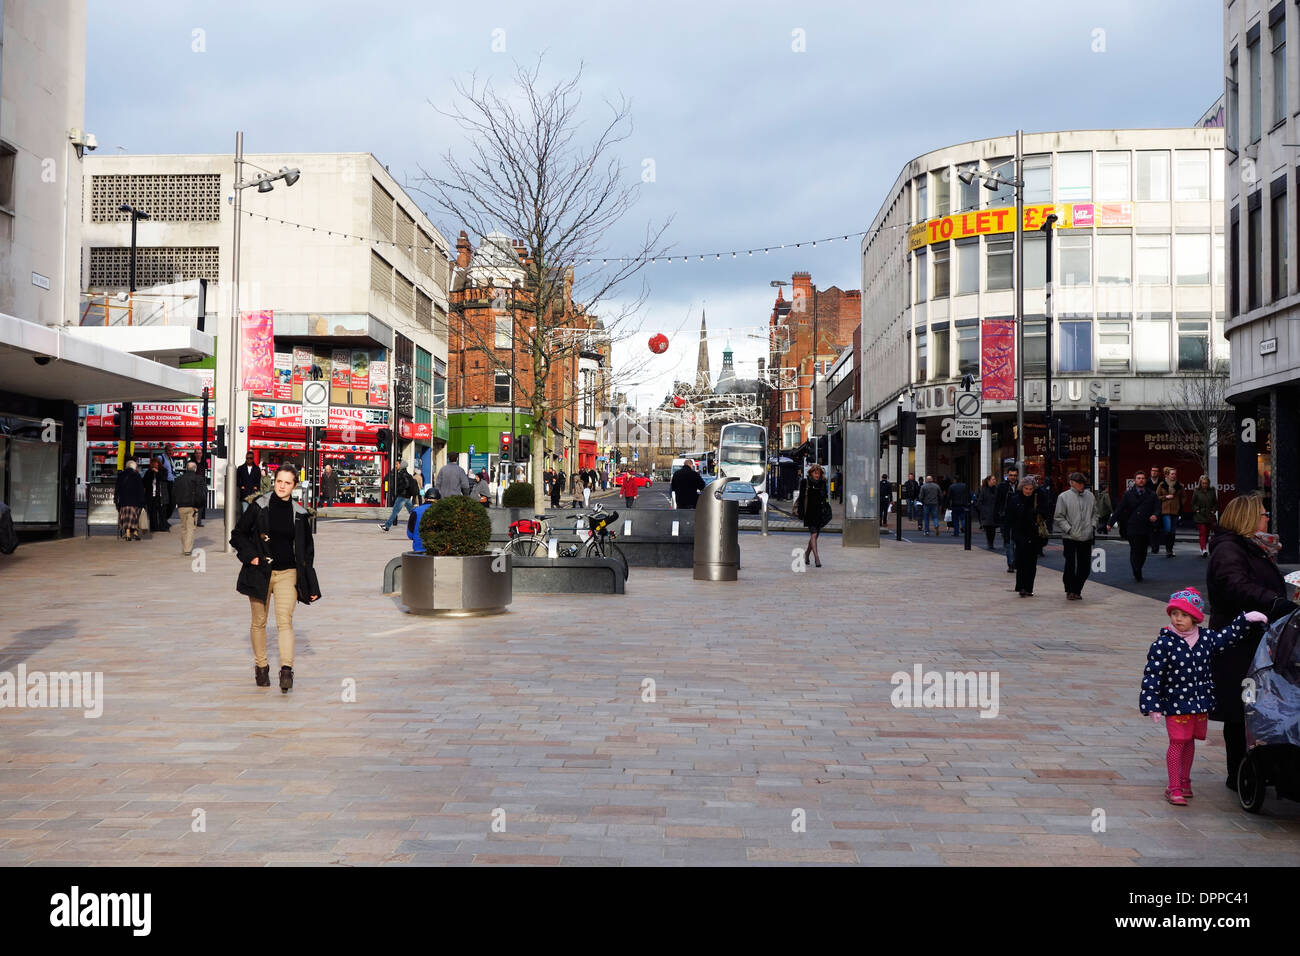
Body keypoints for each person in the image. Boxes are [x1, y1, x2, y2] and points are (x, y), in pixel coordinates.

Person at [1139, 587, 1268, 805]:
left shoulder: (1205, 638)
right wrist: (1152, 704)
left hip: (1199, 702)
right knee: (1177, 742)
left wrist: (1245, 620)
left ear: (1196, 618)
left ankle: (1185, 781)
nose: (1178, 619)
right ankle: (1173, 787)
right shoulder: (1163, 643)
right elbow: (1153, 674)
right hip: (1175, 702)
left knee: (1189, 742)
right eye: (1174, 614)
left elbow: (1226, 638)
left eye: (1184, 615)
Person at [1206, 493, 1299, 791]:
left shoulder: (1252, 548)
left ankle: (1260, 766)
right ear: (1247, 517)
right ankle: (1239, 773)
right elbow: (1237, 586)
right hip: (1237, 641)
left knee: (1255, 704)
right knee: (1239, 708)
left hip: (1255, 640)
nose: (1267, 517)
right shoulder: (1229, 549)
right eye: (1262, 513)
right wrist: (1275, 604)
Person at [230, 464, 320, 693]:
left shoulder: (300, 514)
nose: (282, 486)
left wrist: (310, 583)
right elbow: (238, 534)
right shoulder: (259, 506)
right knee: (259, 622)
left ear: (294, 486)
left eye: (287, 483)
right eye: (279, 481)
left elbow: (307, 552)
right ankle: (261, 667)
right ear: (274, 481)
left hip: (287, 574)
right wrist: (251, 557)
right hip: (260, 573)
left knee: (284, 621)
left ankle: (287, 670)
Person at [1054, 472, 1097, 601]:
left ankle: (1077, 589)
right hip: (1070, 537)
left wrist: (1092, 526)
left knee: (1085, 567)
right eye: (1079, 483)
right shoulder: (1063, 497)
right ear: (1072, 483)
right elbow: (1058, 517)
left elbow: (1096, 513)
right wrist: (1069, 529)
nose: (1081, 485)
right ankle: (1069, 590)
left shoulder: (1090, 496)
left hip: (1086, 536)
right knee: (1070, 565)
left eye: (1083, 483)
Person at [1111, 469, 1160, 582]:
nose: (1141, 480)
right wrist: (1110, 523)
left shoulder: (1152, 494)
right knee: (1134, 549)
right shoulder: (1128, 494)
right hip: (1132, 526)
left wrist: (1155, 515)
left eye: (1143, 478)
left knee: (1143, 551)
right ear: (1134, 481)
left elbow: (1157, 508)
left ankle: (1139, 566)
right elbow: (1119, 509)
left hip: (1146, 526)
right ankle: (1136, 569)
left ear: (1145, 480)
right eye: (1138, 478)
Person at [1009, 477, 1044, 597]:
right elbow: (1010, 518)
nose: (1028, 491)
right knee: (1021, 562)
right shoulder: (1015, 500)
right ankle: (1021, 587)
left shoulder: (1037, 499)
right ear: (1022, 488)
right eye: (1026, 488)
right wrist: (1009, 534)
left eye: (1031, 489)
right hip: (1020, 534)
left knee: (1032, 563)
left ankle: (1029, 587)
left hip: (1033, 534)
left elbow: (1045, 513)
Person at [797, 464, 831, 568]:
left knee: (815, 536)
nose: (817, 475)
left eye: (819, 473)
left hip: (819, 512)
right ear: (811, 473)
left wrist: (827, 508)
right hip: (809, 512)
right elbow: (801, 498)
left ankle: (807, 554)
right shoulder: (805, 482)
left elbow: (825, 498)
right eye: (815, 473)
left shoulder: (822, 483)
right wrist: (801, 513)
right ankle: (817, 558)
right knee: (814, 534)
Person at [173, 460, 206, 556]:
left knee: (183, 527)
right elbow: (202, 493)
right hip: (193, 507)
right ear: (195, 469)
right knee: (190, 528)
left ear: (186, 468)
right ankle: (187, 549)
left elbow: (174, 492)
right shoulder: (198, 479)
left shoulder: (179, 479)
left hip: (181, 506)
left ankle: (184, 547)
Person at [378, 460, 419, 532]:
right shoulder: (406, 474)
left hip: (402, 496)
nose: (396, 466)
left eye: (397, 464)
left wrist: (398, 490)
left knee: (395, 511)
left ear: (402, 465)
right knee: (412, 512)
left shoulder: (402, 474)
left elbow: (405, 484)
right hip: (406, 496)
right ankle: (420, 522)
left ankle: (387, 526)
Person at [994, 466, 1020, 572]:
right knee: (1009, 542)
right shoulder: (1002, 486)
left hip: (1019, 518)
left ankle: (1015, 561)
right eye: (1011, 475)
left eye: (1014, 475)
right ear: (1007, 475)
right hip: (1006, 518)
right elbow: (997, 502)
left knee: (1017, 542)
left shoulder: (1020, 486)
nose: (1013, 477)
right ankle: (1011, 563)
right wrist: (997, 516)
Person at [114, 459, 145, 541]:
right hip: (135, 501)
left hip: (124, 500)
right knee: (135, 517)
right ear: (134, 467)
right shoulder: (137, 475)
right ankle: (135, 533)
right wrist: (142, 501)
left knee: (126, 517)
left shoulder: (121, 475)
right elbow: (141, 489)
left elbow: (117, 489)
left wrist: (116, 500)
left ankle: (127, 534)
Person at [1155, 467, 1183, 557]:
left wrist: (1179, 503)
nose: (1173, 475)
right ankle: (1168, 550)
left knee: (1173, 531)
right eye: (1172, 474)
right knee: (1167, 529)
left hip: (1175, 510)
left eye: (1175, 474)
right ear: (1168, 474)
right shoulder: (1162, 484)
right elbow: (1157, 496)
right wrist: (1166, 497)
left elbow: (1184, 497)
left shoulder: (1180, 485)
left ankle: (1170, 550)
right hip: (1165, 510)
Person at [1191, 475, 1217, 558]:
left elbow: (1215, 503)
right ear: (1200, 483)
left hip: (1209, 515)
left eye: (1206, 483)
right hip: (1200, 515)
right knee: (1202, 532)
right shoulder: (1196, 491)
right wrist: (1196, 510)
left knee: (1207, 533)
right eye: (1203, 483)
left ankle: (1203, 547)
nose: (1204, 485)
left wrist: (1213, 510)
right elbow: (1193, 503)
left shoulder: (1212, 491)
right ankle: (1203, 549)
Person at [142, 457, 170, 533]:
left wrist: (157, 472)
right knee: (152, 511)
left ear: (159, 464)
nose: (154, 465)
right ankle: (154, 527)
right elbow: (144, 482)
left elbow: (163, 479)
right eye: (152, 464)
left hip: (161, 494)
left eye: (155, 463)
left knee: (162, 512)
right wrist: (151, 473)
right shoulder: (148, 472)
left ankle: (162, 526)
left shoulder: (164, 471)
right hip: (151, 494)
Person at [976, 476, 999, 550]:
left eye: (995, 479)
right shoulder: (984, 490)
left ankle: (991, 543)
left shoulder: (997, 490)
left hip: (994, 513)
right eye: (993, 479)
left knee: (993, 529)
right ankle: (990, 543)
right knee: (989, 529)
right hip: (987, 513)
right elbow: (979, 502)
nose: (995, 481)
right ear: (989, 481)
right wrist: (983, 510)